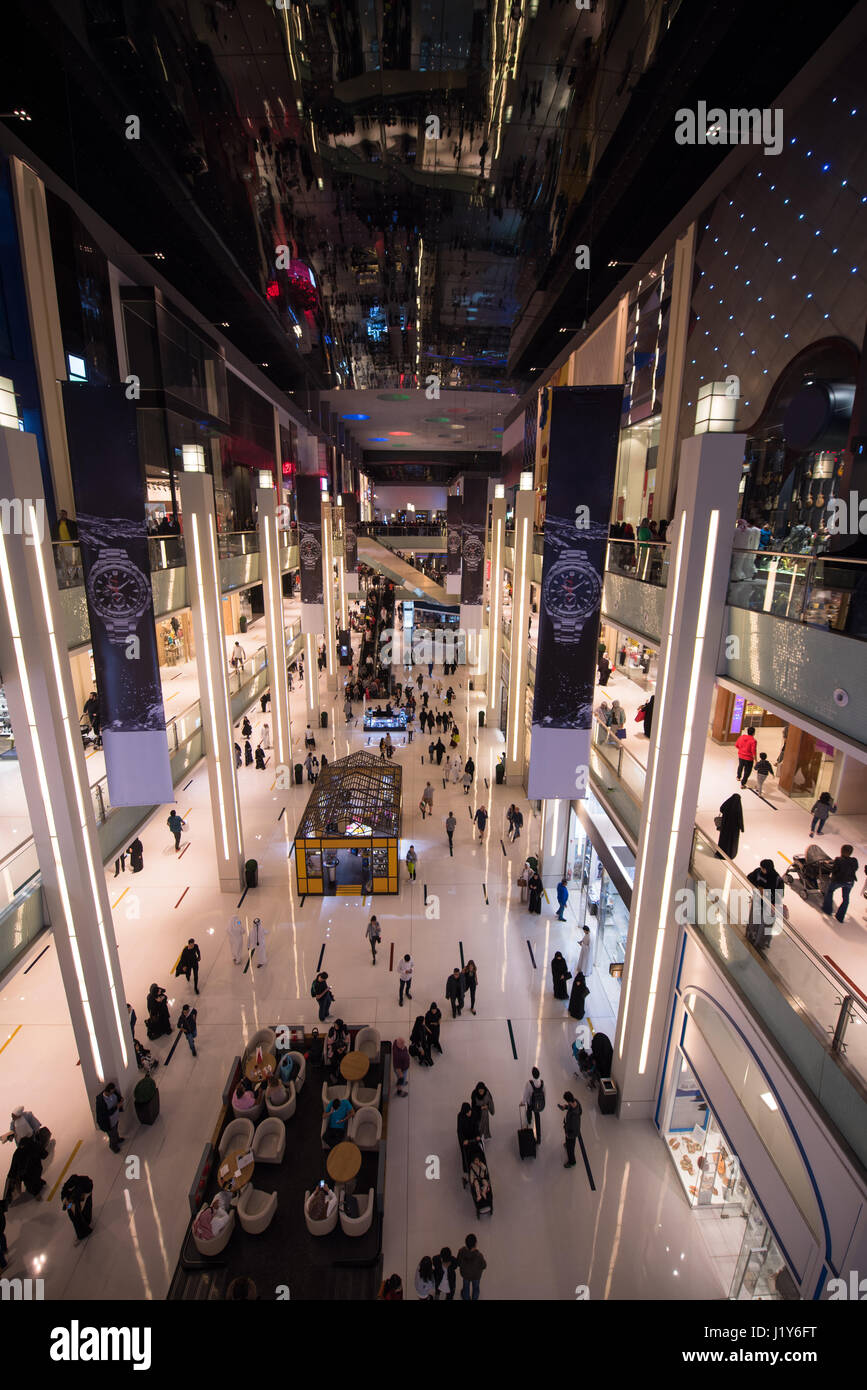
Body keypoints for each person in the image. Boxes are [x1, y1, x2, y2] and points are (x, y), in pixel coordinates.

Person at [746, 860, 785, 951]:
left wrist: (768, 895)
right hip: (758, 902)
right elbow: (749, 877)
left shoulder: (777, 879)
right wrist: (758, 888)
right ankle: (751, 936)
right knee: (754, 921)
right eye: (761, 867)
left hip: (769, 906)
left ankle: (761, 944)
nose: (761, 869)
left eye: (763, 868)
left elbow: (780, 894)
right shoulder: (758, 872)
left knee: (765, 926)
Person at [822, 846, 859, 923]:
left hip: (839, 881)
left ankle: (827, 909)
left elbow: (834, 869)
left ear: (841, 851)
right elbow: (855, 868)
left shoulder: (838, 859)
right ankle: (840, 916)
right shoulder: (854, 860)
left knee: (830, 891)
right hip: (850, 882)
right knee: (846, 898)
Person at [61, 1174, 94, 1245]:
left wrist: (84, 1198)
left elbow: (89, 1189)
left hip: (82, 1200)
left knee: (85, 1211)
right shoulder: (67, 1186)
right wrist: (65, 1201)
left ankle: (86, 1224)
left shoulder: (84, 1181)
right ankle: (81, 1232)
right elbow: (63, 1193)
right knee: (75, 1216)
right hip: (72, 1202)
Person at [457, 1234, 487, 1301]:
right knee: (476, 1288)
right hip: (476, 1276)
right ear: (475, 1244)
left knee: (466, 1287)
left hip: (465, 1274)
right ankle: (474, 1298)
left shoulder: (461, 1251)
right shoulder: (479, 1256)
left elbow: (458, 1263)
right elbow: (484, 1266)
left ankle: (466, 1297)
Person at [96, 1082, 124, 1153]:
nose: (113, 1093)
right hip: (108, 1123)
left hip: (115, 1119)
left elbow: (117, 1095)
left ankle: (117, 1139)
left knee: (115, 1131)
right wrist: (117, 1106)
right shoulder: (101, 1102)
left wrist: (121, 1099)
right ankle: (113, 1146)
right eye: (111, 1092)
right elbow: (106, 1113)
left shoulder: (113, 1092)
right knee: (112, 1135)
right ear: (107, 1092)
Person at [522, 1067, 545, 1145]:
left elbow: (526, 1094)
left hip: (531, 1103)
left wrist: (522, 1102)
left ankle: (529, 1120)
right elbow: (544, 1094)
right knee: (537, 1120)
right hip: (538, 1105)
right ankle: (538, 1139)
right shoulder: (542, 1083)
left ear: (532, 1075)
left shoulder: (529, 1083)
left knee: (529, 1111)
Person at [716, 793, 744, 859]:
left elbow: (721, 808)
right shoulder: (738, 807)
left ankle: (721, 853)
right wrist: (742, 828)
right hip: (733, 830)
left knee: (724, 840)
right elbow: (740, 818)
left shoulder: (727, 804)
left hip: (725, 827)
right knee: (731, 842)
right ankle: (730, 854)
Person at [560, 1091, 583, 1168]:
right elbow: (577, 1109)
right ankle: (567, 1144)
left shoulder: (574, 1115)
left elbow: (574, 1127)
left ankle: (572, 1161)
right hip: (569, 1129)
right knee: (568, 1141)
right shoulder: (575, 1101)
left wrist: (568, 1133)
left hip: (572, 1132)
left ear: (568, 1101)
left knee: (571, 1148)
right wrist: (565, 1107)